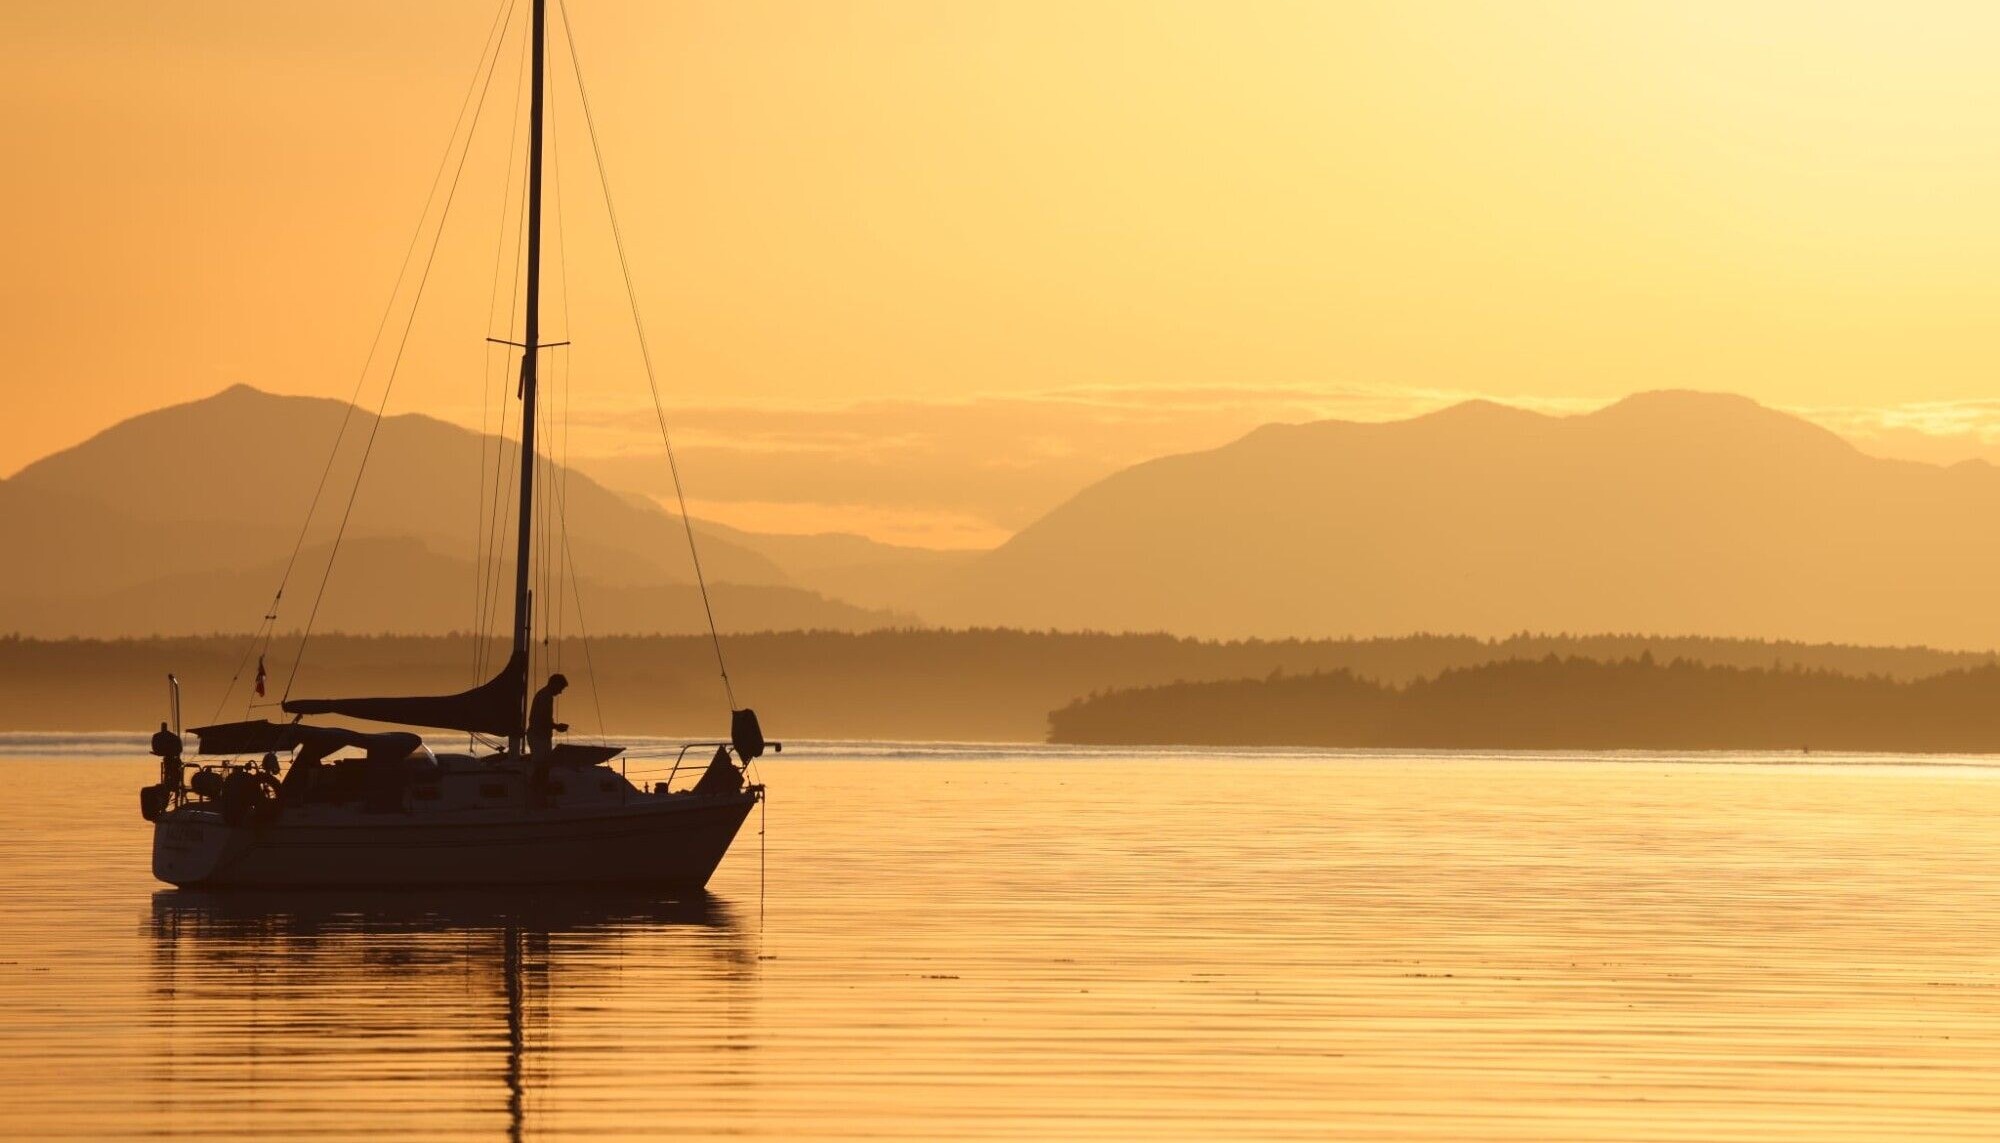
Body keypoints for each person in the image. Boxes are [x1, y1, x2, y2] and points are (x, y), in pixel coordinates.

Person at [527, 673, 569, 756]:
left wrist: (556, 726)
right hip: (538, 737)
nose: (560, 692)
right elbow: (542, 719)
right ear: (555, 684)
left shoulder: (545, 695)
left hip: (539, 736)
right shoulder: (545, 697)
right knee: (542, 762)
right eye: (560, 688)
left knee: (544, 761)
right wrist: (557, 727)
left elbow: (544, 719)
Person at [151, 721, 183, 791]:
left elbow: (179, 749)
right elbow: (179, 749)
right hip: (171, 759)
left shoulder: (159, 736)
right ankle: (170, 785)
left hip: (172, 759)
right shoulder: (172, 737)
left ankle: (170, 785)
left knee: (169, 772)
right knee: (169, 771)